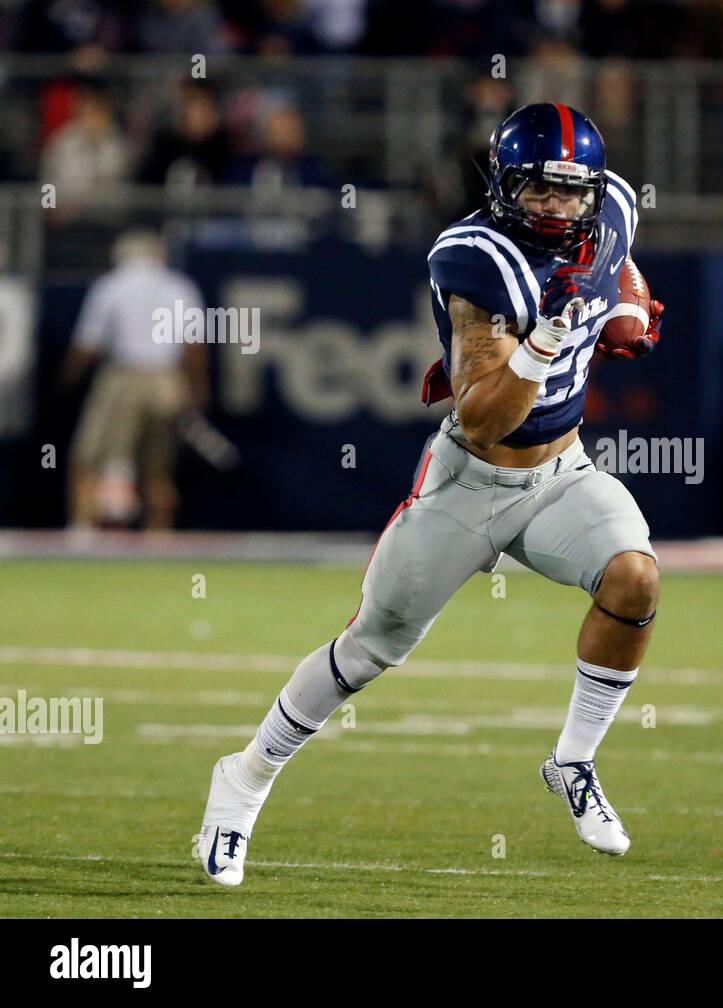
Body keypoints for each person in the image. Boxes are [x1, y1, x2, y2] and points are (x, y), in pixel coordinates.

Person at [197, 103, 664, 886]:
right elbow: (482, 421)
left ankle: (573, 760)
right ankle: (245, 778)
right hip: (472, 480)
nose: (558, 208)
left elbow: (616, 256)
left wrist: (623, 306)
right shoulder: (479, 258)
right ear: (505, 187)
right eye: (541, 192)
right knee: (368, 647)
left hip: (564, 473)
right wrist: (547, 343)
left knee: (635, 578)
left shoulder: (610, 200)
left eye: (570, 193)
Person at [62, 231, 209, 530]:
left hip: (123, 377)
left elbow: (87, 345)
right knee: (158, 469)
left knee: (88, 461)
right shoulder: (179, 287)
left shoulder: (111, 286)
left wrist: (67, 380)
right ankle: (159, 536)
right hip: (167, 381)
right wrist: (198, 388)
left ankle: (82, 533)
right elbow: (195, 345)